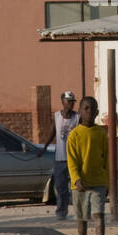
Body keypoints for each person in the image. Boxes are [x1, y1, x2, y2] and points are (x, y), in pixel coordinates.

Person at [65, 95, 109, 235]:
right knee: (82, 219)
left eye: (92, 109)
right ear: (80, 112)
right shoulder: (74, 135)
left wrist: (108, 182)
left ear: (97, 113)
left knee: (99, 215)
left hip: (98, 181)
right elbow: (72, 161)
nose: (89, 112)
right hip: (81, 184)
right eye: (86, 108)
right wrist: (76, 179)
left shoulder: (101, 133)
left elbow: (106, 159)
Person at [41, 91, 79, 220]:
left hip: (75, 158)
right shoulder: (57, 116)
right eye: (69, 102)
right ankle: (61, 213)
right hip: (60, 158)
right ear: (62, 102)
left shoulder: (77, 117)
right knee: (61, 186)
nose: (71, 105)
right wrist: (44, 148)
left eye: (72, 102)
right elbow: (52, 133)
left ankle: (81, 212)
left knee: (78, 186)